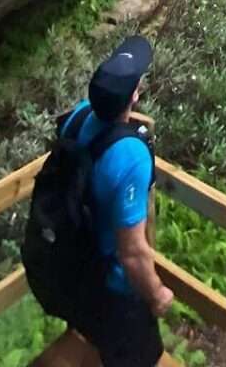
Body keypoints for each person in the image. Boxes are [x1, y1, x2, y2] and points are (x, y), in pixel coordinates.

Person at [38, 35, 173, 367]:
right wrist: (157, 294)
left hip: (77, 269)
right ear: (135, 95)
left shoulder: (78, 117)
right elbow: (132, 253)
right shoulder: (130, 156)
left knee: (95, 343)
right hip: (115, 292)